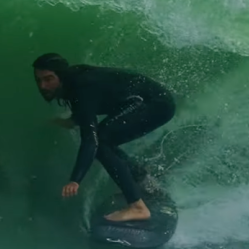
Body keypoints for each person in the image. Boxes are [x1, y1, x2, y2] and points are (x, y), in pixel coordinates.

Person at [32, 53, 175, 222]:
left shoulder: (81, 87)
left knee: (101, 142)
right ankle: (143, 183)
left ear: (61, 76)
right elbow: (91, 106)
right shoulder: (74, 82)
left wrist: (75, 180)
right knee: (106, 141)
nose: (43, 86)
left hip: (155, 103)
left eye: (48, 79)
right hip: (144, 101)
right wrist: (73, 121)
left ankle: (137, 207)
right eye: (39, 80)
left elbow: (90, 140)